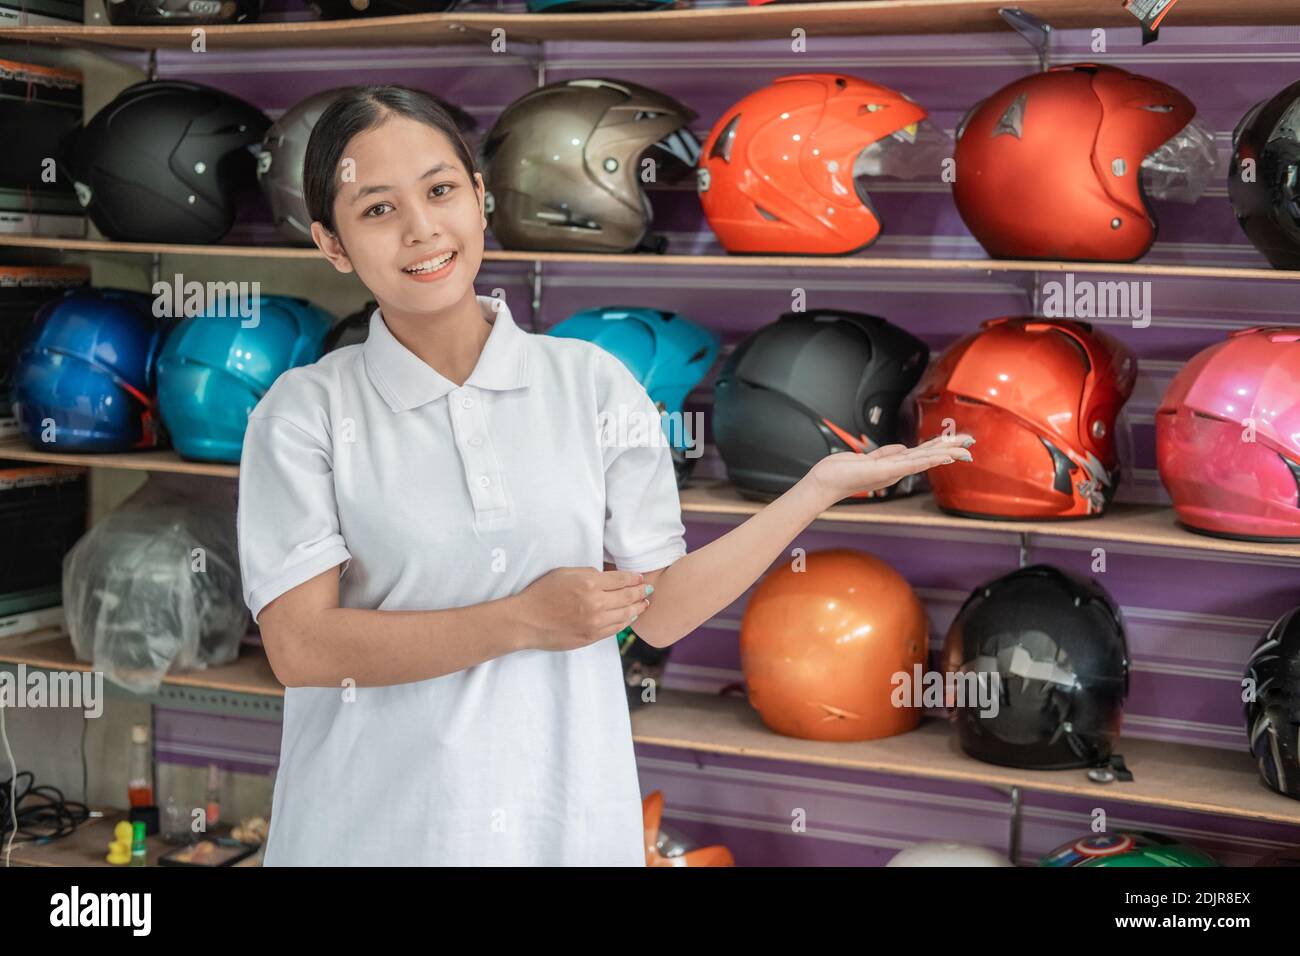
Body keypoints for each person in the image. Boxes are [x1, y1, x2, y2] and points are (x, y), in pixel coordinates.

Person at [236, 84, 974, 866]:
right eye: (377, 209)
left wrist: (815, 490)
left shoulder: (591, 384)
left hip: (561, 829)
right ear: (333, 243)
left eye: (441, 190)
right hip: (370, 834)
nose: (422, 229)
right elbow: (302, 647)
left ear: (481, 199)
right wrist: (521, 620)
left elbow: (657, 610)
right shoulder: (304, 411)